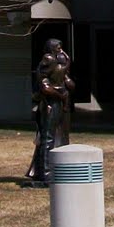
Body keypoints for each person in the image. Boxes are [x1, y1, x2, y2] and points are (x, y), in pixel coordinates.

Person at [25, 38, 73, 184]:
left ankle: (54, 169)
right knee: (47, 137)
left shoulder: (60, 62)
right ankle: (45, 173)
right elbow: (44, 86)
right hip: (50, 103)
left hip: (60, 102)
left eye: (61, 47)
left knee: (59, 135)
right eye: (58, 47)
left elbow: (66, 80)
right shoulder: (48, 60)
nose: (60, 49)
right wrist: (60, 94)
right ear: (51, 48)